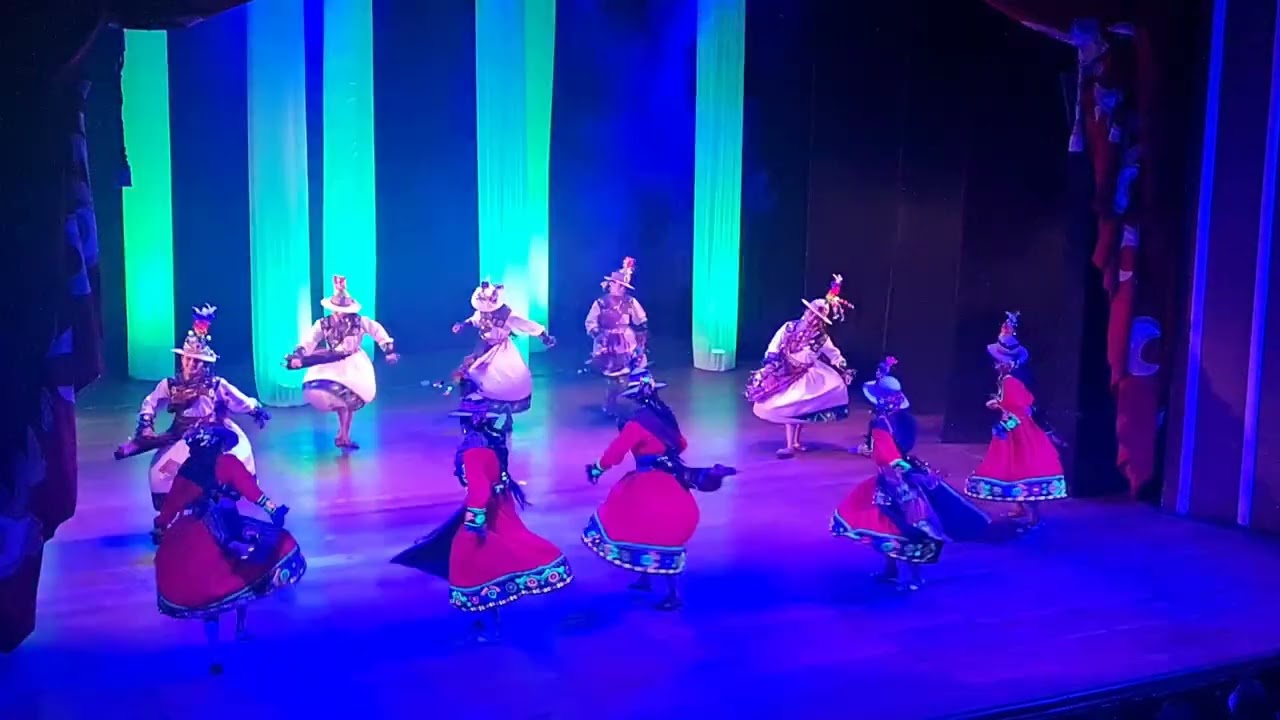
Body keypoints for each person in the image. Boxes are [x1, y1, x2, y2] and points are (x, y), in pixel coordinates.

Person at [392, 399, 572, 642]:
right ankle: (489, 619)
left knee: (472, 561)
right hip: (498, 508)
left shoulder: (473, 450)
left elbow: (479, 491)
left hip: (487, 513)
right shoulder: (493, 441)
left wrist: (474, 523)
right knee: (486, 559)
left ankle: (490, 625)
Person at [153, 425, 305, 674]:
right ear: (220, 444)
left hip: (191, 533)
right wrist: (273, 509)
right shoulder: (228, 463)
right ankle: (241, 627)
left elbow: (169, 508)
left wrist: (160, 527)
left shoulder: (188, 469)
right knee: (242, 574)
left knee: (208, 592)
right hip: (226, 526)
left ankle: (215, 652)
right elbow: (251, 491)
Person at [583, 370, 736, 610]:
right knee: (649, 529)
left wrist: (597, 469)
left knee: (649, 529)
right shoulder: (663, 416)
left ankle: (673, 594)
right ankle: (645, 578)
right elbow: (681, 444)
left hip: (649, 483)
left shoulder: (636, 424)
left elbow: (615, 453)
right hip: (669, 479)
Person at [832, 357, 990, 590]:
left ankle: (914, 577)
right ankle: (892, 569)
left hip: (896, 480)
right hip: (892, 476)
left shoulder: (881, 424)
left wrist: (906, 474)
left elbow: (890, 456)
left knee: (905, 525)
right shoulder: (901, 420)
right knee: (887, 525)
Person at [114, 304, 269, 518]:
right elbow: (150, 402)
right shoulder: (170, 386)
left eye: (197, 361)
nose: (191, 364)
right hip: (182, 437)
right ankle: (175, 516)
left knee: (226, 469)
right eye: (188, 359)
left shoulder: (216, 385)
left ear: (205, 365)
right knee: (164, 473)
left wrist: (255, 409)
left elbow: (238, 400)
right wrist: (146, 425)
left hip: (213, 437)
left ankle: (216, 514)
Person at [963, 312, 1068, 528]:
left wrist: (1004, 421)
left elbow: (1021, 410)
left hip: (1019, 431)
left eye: (999, 362)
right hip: (1014, 429)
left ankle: (1033, 515)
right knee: (1014, 467)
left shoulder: (1011, 381)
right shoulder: (1008, 380)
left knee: (1024, 467)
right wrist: (999, 405)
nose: (995, 365)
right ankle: (1020, 506)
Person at [284, 275, 399, 451]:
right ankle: (343, 434)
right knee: (340, 401)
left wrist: (388, 350)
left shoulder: (360, 322)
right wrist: (299, 356)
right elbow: (309, 341)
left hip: (352, 363)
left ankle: (344, 434)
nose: (340, 313)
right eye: (337, 309)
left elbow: (378, 331)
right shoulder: (323, 324)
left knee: (347, 402)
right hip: (331, 363)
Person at [745, 274, 855, 458]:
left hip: (806, 374)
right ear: (806, 311)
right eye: (812, 312)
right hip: (786, 370)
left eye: (818, 316)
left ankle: (795, 442)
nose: (813, 318)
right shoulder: (789, 327)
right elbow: (775, 343)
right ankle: (790, 444)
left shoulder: (821, 338)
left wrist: (842, 367)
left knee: (801, 407)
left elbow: (834, 354)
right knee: (790, 406)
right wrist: (771, 362)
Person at [447, 280, 556, 415]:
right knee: (471, 371)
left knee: (503, 376)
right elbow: (475, 319)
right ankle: (473, 406)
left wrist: (544, 336)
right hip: (483, 347)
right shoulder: (481, 312)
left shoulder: (507, 315)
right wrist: (463, 324)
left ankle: (500, 407)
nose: (483, 312)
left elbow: (527, 325)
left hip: (501, 348)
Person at [584, 256, 650, 415]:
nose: (621, 289)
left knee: (632, 373)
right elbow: (590, 322)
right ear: (610, 285)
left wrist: (641, 339)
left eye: (623, 286)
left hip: (627, 341)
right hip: (608, 342)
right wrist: (599, 335)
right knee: (613, 377)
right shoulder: (601, 303)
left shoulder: (630, 302)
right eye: (618, 285)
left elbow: (641, 319)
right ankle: (610, 403)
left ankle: (637, 403)